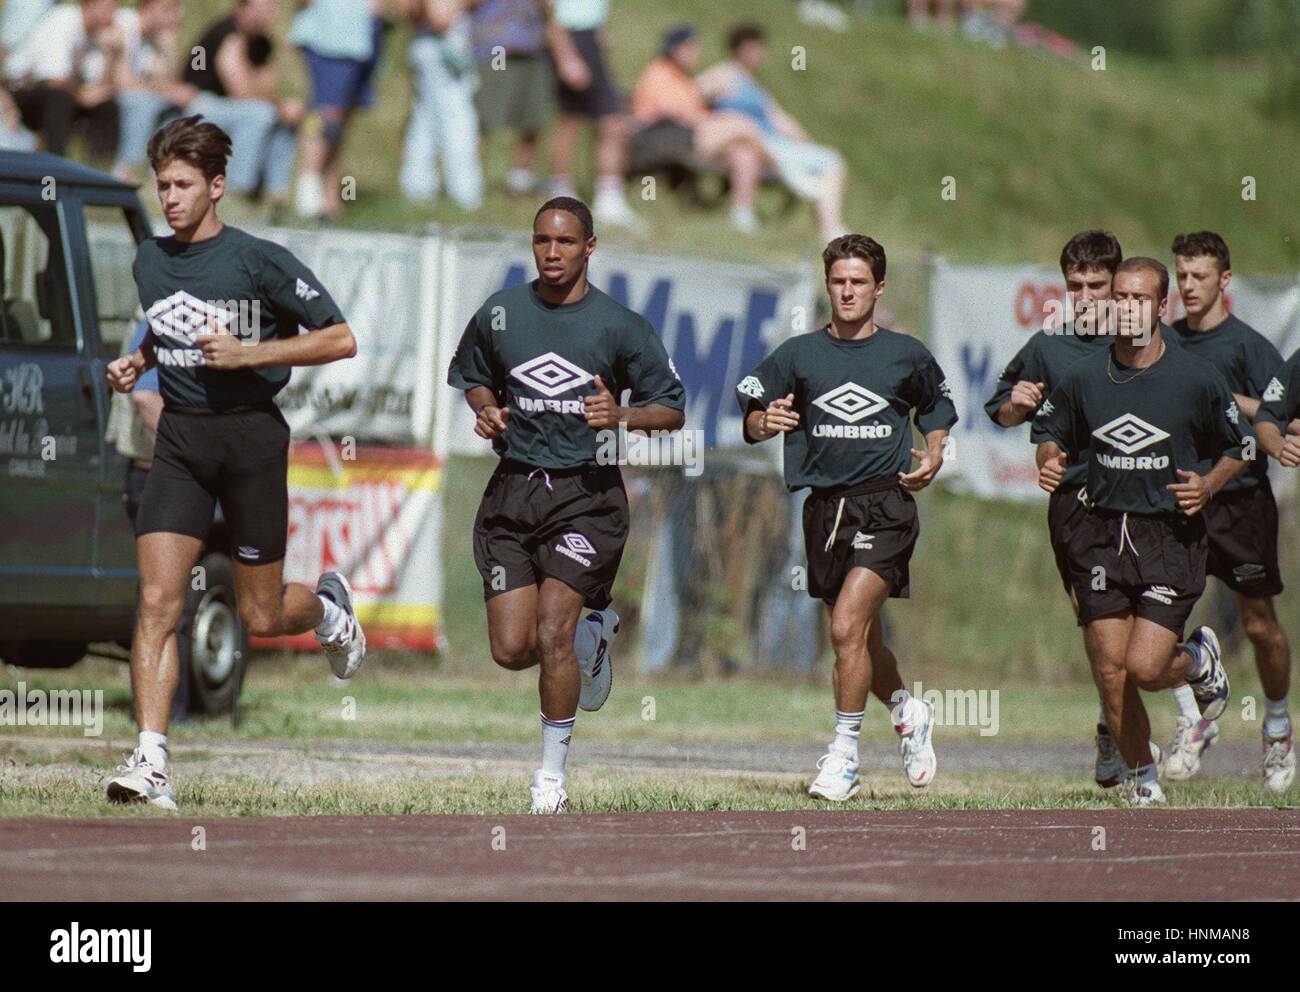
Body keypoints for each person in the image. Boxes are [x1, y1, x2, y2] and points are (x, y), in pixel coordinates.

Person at [103, 115, 366, 810]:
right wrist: (140, 359)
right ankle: (152, 760)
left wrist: (252, 355)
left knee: (262, 613)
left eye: (184, 184)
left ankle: (331, 609)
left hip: (250, 439)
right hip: (183, 443)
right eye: (162, 184)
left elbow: (341, 339)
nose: (171, 198)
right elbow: (173, 326)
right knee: (158, 600)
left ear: (217, 186)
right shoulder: (150, 260)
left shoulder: (259, 260)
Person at [447, 196, 685, 812]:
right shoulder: (502, 313)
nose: (552, 253)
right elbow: (472, 373)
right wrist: (485, 408)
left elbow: (672, 407)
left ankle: (550, 777)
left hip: (587, 496)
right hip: (513, 493)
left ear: (590, 247)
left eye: (565, 242)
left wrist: (624, 414)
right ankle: (591, 635)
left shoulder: (620, 325)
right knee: (511, 649)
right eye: (541, 241)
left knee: (551, 631)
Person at [736, 234, 956, 801]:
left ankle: (844, 758)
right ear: (826, 284)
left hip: (884, 505)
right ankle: (908, 712)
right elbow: (752, 405)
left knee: (843, 629)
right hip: (824, 510)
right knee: (856, 639)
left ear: (878, 287)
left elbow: (937, 409)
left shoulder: (905, 354)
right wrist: (767, 420)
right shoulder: (800, 354)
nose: (848, 291)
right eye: (838, 281)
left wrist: (934, 451)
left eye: (859, 282)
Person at [1034, 257, 1246, 805]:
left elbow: (1238, 447)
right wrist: (1050, 457)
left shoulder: (1194, 378)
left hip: (1169, 537)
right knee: (1109, 670)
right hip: (1101, 535)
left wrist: (1208, 485)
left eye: (1139, 300)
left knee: (1146, 668)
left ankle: (1198, 660)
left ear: (1161, 306)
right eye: (1120, 299)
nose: (1128, 310)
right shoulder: (1086, 376)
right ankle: (1141, 777)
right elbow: (1052, 432)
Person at [986, 230, 1138, 788]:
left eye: (1097, 285)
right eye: (1076, 285)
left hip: (1144, 502)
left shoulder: (1146, 342)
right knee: (1099, 629)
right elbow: (1000, 408)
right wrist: (1015, 406)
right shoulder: (1049, 345)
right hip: (1076, 504)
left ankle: (1189, 672)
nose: (1086, 296)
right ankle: (1112, 725)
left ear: (1118, 285)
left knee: (1144, 635)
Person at [1165, 231, 1293, 792]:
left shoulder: (1248, 348)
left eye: (1200, 276)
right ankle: (1195, 722)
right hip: (1182, 502)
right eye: (1182, 276)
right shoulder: (1163, 342)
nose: (1189, 287)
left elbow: (1278, 415)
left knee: (1260, 624)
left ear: (1225, 280)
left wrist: (1232, 399)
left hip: (1240, 506)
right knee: (1159, 622)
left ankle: (1277, 728)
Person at [105, 317, 195, 720]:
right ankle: (166, 715)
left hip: (146, 471)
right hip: (160, 472)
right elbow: (144, 397)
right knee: (168, 601)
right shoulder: (162, 316)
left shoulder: (153, 314)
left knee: (158, 598)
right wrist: (193, 450)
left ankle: (162, 714)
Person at [698, 23, 847, 243]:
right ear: (739, 50)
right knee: (745, 152)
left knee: (832, 160)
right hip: (741, 141)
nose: (759, 54)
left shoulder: (757, 88)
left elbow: (781, 119)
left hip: (772, 143)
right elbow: (693, 93)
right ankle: (768, 191)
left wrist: (807, 144)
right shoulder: (725, 74)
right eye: (754, 48)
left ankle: (830, 226)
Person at [630, 24, 765, 234]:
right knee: (743, 125)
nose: (696, 53)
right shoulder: (659, 72)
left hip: (686, 138)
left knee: (744, 152)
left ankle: (742, 212)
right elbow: (671, 114)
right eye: (691, 47)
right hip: (663, 138)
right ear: (675, 49)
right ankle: (784, 165)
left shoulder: (684, 79)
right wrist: (711, 118)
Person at [182, 0, 304, 203]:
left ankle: (276, 194)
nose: (269, 16)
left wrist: (283, 109)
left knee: (285, 118)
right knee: (260, 114)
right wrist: (278, 106)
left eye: (271, 10)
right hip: (203, 103)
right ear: (242, 9)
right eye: (263, 9)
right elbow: (241, 90)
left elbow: (268, 88)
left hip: (231, 106)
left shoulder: (263, 44)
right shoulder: (228, 34)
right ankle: (239, 189)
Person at [545, 0, 642, 230]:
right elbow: (549, 14)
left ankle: (607, 196)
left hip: (590, 40)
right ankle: (562, 191)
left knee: (610, 121)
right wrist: (566, 56)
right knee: (572, 120)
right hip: (569, 38)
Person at [468, 0, 579, 198]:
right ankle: (470, 178)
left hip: (531, 50)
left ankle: (521, 178)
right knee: (484, 117)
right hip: (495, 50)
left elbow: (550, 13)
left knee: (532, 117)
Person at [290, 0, 387, 220]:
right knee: (324, 118)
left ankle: (330, 196)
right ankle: (308, 192)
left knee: (339, 123)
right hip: (331, 39)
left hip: (362, 38)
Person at [4, 0, 123, 161]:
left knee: (107, 106)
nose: (113, 14)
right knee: (59, 98)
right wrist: (84, 95)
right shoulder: (65, 18)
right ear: (89, 4)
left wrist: (111, 55)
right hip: (19, 90)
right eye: (109, 7)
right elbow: (54, 79)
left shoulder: (96, 34)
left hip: (62, 93)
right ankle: (56, 166)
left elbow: (100, 88)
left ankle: (100, 168)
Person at [398, 0, 484, 210]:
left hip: (426, 46)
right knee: (458, 123)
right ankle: (465, 193)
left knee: (425, 121)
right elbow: (440, 19)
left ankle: (418, 188)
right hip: (442, 50)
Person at [111, 0, 190, 183]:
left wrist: (169, 48)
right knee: (143, 103)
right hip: (103, 91)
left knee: (172, 107)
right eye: (168, 10)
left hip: (136, 95)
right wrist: (168, 91)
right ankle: (127, 171)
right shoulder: (123, 26)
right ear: (148, 7)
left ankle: (162, 172)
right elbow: (123, 83)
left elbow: (166, 82)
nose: (175, 16)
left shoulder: (156, 38)